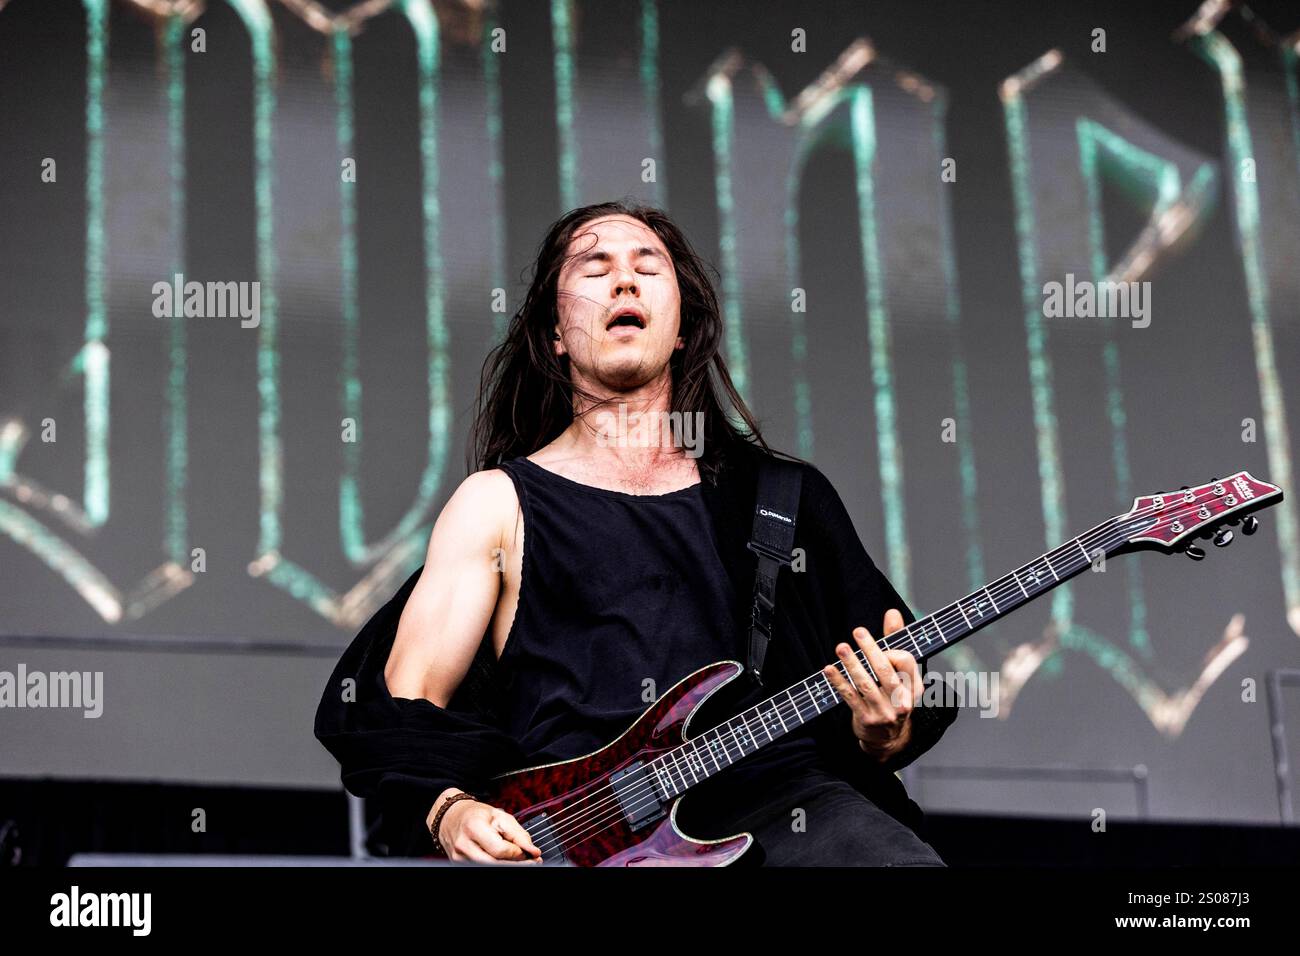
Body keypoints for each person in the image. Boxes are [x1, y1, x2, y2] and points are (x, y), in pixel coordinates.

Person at [316, 200, 959, 866]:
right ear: (556, 333)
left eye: (647, 267)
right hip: (584, 830)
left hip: (786, 803)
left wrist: (886, 730)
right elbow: (404, 700)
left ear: (680, 327)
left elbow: (894, 670)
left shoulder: (780, 499)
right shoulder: (496, 505)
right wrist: (451, 807)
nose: (624, 281)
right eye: (596, 268)